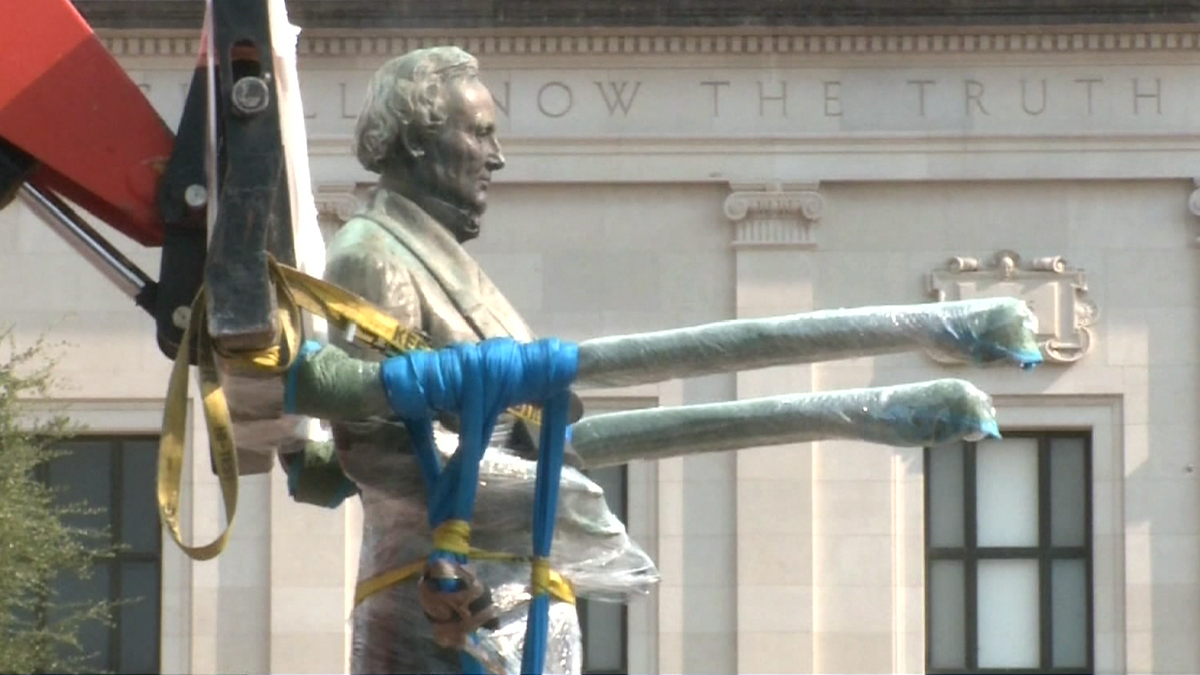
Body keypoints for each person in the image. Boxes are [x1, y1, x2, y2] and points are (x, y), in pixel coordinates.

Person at [322, 46, 656, 674]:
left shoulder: (433, 255)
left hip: (501, 604)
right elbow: (373, 441)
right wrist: (563, 497)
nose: (496, 157)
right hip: (445, 611)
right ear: (419, 143)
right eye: (479, 134)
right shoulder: (372, 256)